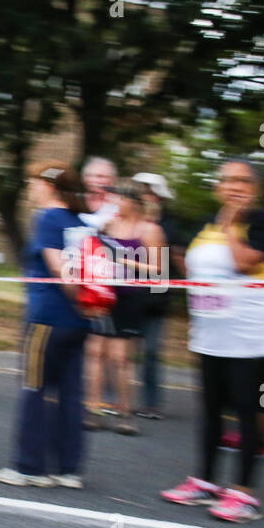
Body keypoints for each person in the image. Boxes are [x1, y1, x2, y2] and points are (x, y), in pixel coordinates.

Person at [159, 158, 264, 523]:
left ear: (255, 189)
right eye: (227, 181)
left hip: (252, 338)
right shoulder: (205, 224)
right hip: (210, 335)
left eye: (243, 181)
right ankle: (206, 482)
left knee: (247, 413)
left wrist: (230, 226)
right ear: (217, 187)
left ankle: (244, 495)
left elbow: (245, 262)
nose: (234, 187)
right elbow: (192, 267)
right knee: (210, 410)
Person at [0, 163, 100, 488]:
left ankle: (29, 467)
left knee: (34, 389)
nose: (30, 189)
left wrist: (74, 294)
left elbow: (59, 268)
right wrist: (87, 304)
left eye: (33, 182)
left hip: (48, 317)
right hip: (79, 321)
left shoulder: (49, 218)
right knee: (70, 392)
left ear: (49, 186)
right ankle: (68, 470)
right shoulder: (81, 222)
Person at [84, 179, 165, 435]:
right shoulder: (109, 225)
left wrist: (125, 260)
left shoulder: (149, 230)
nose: (115, 204)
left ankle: (125, 414)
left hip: (130, 297)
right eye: (113, 199)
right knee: (96, 353)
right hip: (103, 293)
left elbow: (159, 270)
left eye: (119, 199)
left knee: (120, 358)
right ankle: (94, 410)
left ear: (133, 202)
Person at [132, 172, 184, 419]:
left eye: (149, 191)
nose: (145, 196)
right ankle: (112, 401)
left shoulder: (170, 226)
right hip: (128, 293)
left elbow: (169, 262)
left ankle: (151, 404)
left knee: (151, 350)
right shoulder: (131, 221)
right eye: (142, 191)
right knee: (116, 349)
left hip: (156, 296)